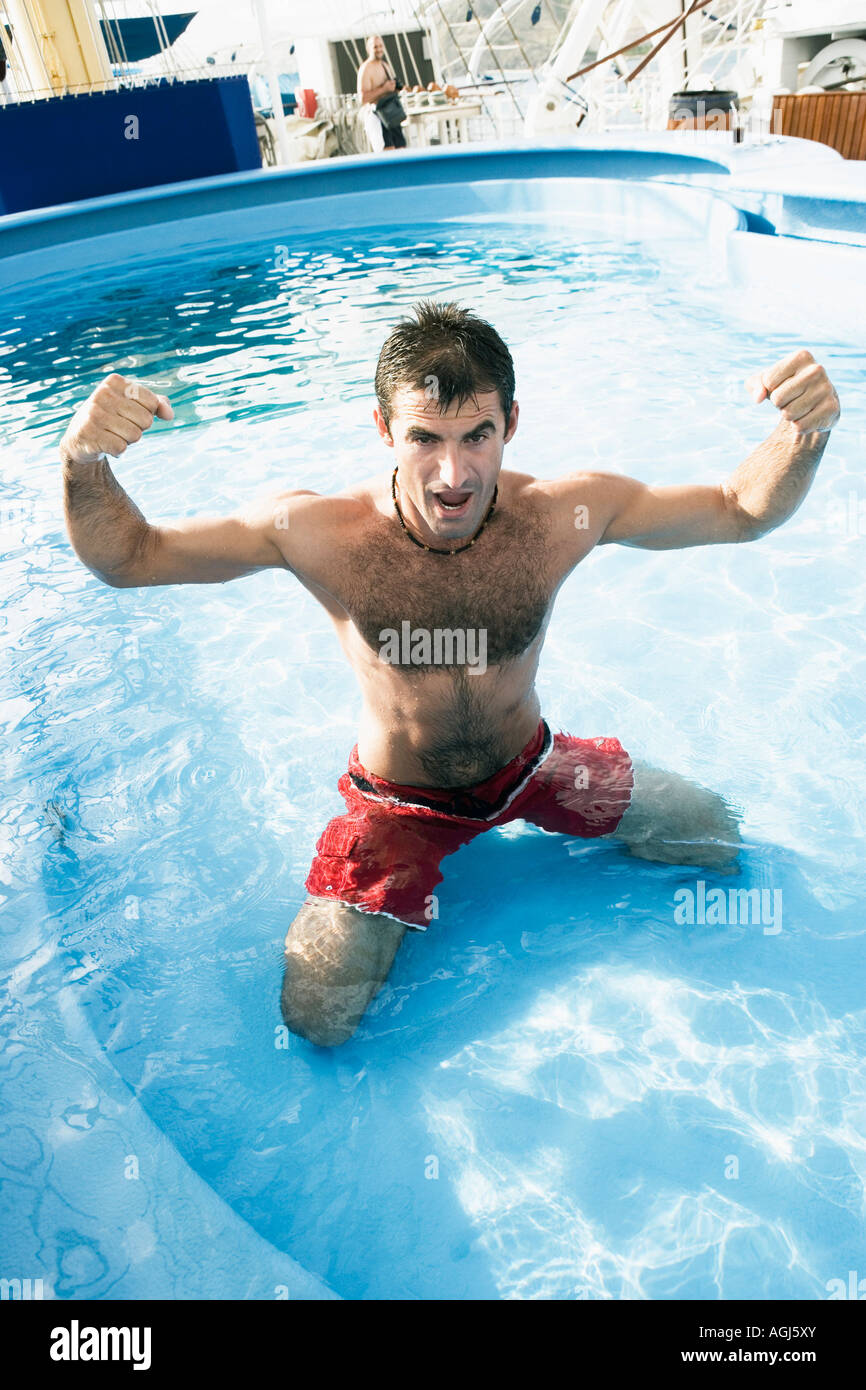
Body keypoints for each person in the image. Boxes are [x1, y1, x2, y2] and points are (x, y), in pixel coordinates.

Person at [58, 301, 841, 1047]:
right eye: (425, 437)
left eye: (477, 435)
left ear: (512, 425)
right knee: (318, 1017)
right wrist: (83, 458)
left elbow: (740, 509)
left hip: (533, 768)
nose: (453, 473)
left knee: (715, 838)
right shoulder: (320, 533)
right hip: (399, 807)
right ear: (384, 430)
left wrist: (804, 433)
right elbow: (132, 558)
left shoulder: (564, 515)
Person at [357, 34, 406, 153]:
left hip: (393, 116)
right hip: (378, 117)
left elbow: (390, 88)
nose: (379, 49)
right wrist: (383, 89)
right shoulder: (366, 69)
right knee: (387, 154)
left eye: (380, 46)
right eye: (375, 47)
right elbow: (362, 98)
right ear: (369, 49)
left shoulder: (385, 65)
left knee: (402, 152)